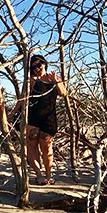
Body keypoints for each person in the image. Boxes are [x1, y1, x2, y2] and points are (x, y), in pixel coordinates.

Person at [24, 54, 67, 185]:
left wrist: (55, 81)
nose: (37, 68)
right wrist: (12, 113)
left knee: (47, 148)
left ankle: (48, 174)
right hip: (32, 118)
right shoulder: (30, 80)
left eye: (39, 64)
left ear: (44, 64)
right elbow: (23, 98)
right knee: (32, 147)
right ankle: (39, 174)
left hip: (49, 119)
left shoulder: (53, 78)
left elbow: (63, 93)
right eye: (33, 66)